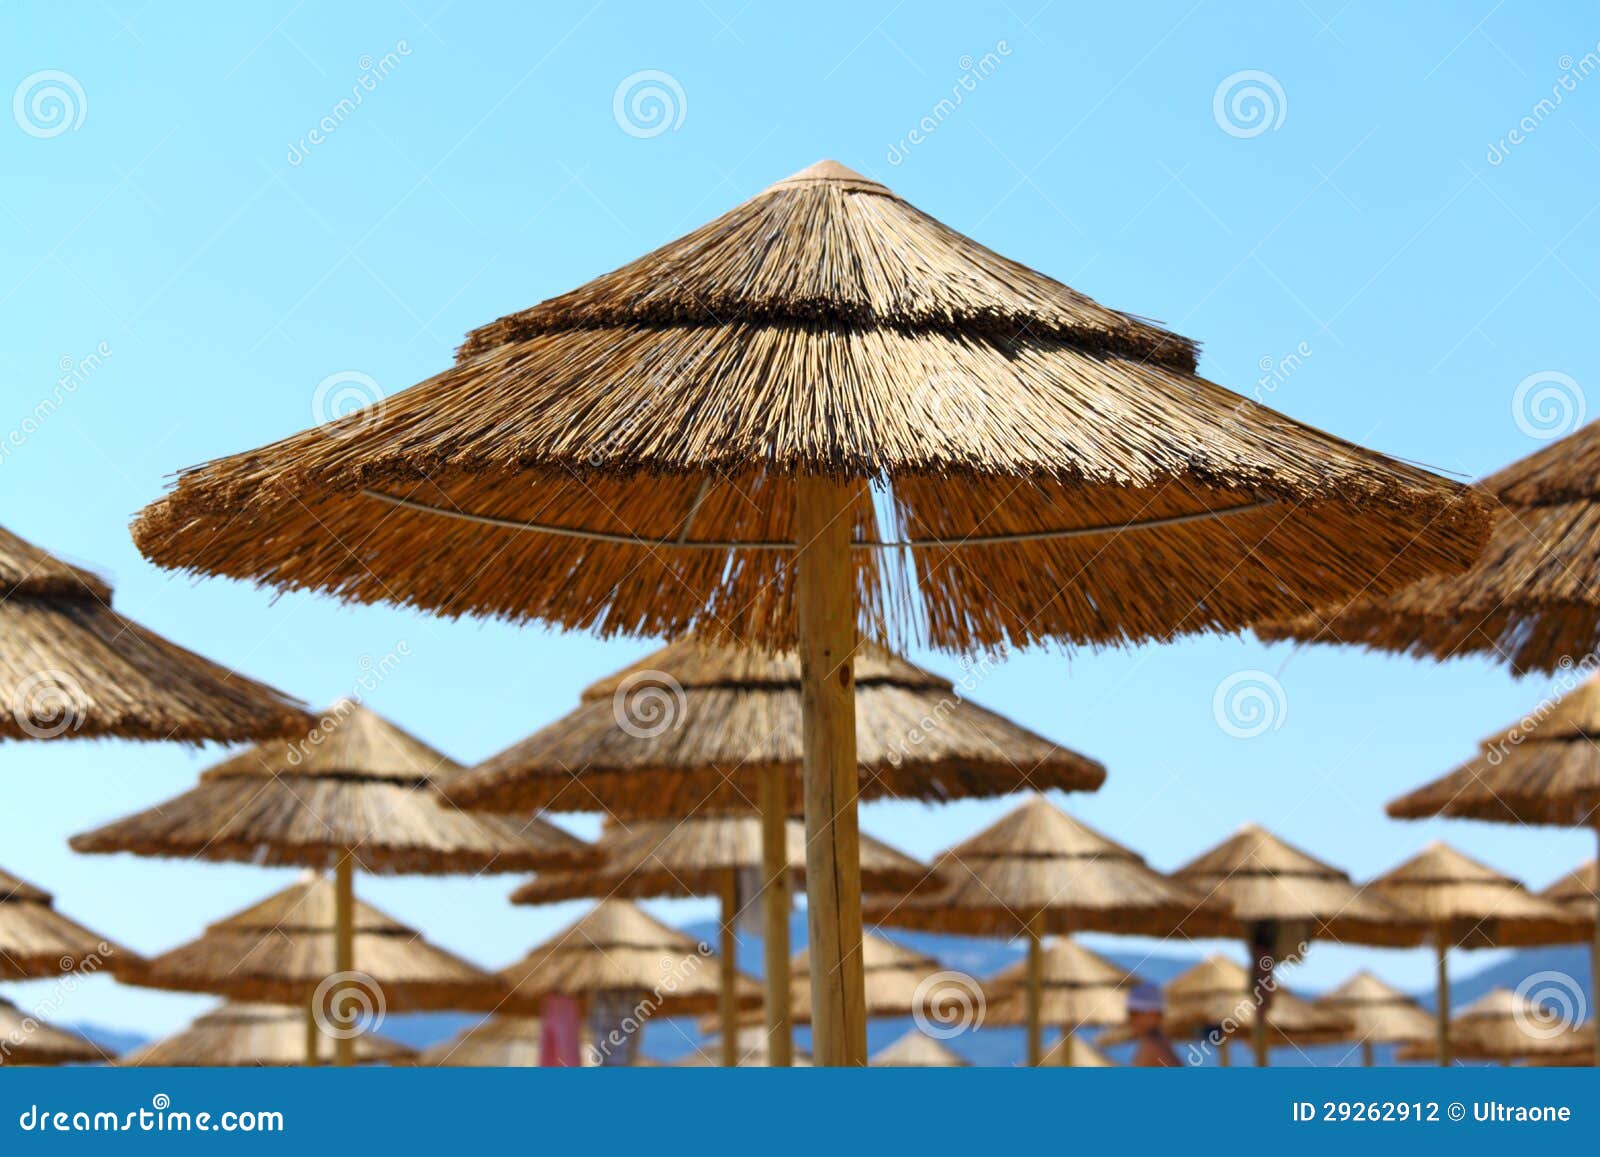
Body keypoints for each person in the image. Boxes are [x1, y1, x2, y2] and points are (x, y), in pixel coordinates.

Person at [1126, 981, 1181, 1067]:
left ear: (1154, 1014)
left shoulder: (1152, 1045)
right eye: (1130, 1013)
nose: (1131, 1019)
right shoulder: (1159, 1042)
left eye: (1134, 1013)